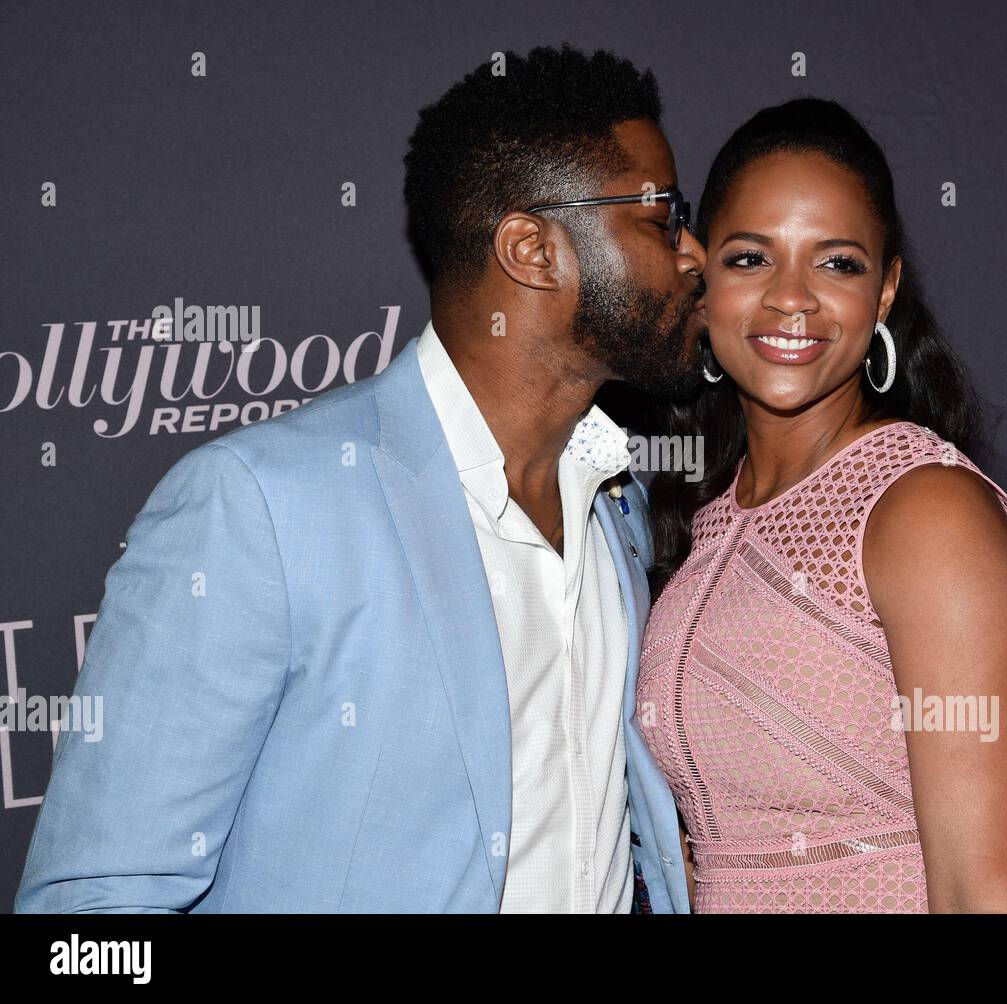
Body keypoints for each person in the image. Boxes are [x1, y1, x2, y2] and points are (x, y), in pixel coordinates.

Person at [14, 44, 706, 914]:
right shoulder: (261, 509)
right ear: (533, 249)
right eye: (662, 216)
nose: (696, 255)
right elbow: (88, 920)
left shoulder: (616, 501)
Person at [639, 98, 1007, 913]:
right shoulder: (714, 516)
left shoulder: (926, 513)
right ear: (702, 275)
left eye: (838, 264)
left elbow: (982, 887)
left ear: (886, 291)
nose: (793, 298)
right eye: (751, 258)